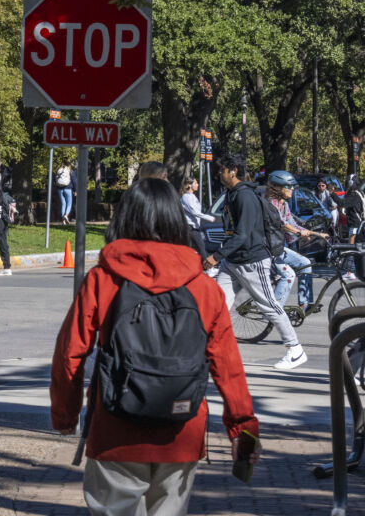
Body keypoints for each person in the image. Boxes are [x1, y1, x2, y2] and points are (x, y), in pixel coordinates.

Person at [51, 178, 259, 516]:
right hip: (182, 430)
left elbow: (70, 354)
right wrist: (243, 428)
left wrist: (65, 415)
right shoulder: (204, 288)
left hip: (114, 427)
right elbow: (228, 366)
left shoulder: (102, 280)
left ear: (124, 218)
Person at [206, 154, 305, 370]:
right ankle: (210, 349)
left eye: (222, 170)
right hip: (233, 261)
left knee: (269, 305)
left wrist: (216, 256)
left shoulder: (245, 197)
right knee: (218, 304)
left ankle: (295, 349)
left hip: (252, 260)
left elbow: (242, 234)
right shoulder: (232, 193)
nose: (219, 174)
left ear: (233, 171)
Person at [266, 171, 327, 315]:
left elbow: (292, 224)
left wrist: (317, 234)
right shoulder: (270, 204)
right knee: (288, 275)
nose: (292, 189)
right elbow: (282, 224)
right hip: (267, 250)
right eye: (289, 186)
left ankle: (304, 305)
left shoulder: (285, 205)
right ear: (278, 187)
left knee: (305, 263)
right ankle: (275, 312)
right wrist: (299, 233)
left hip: (278, 248)